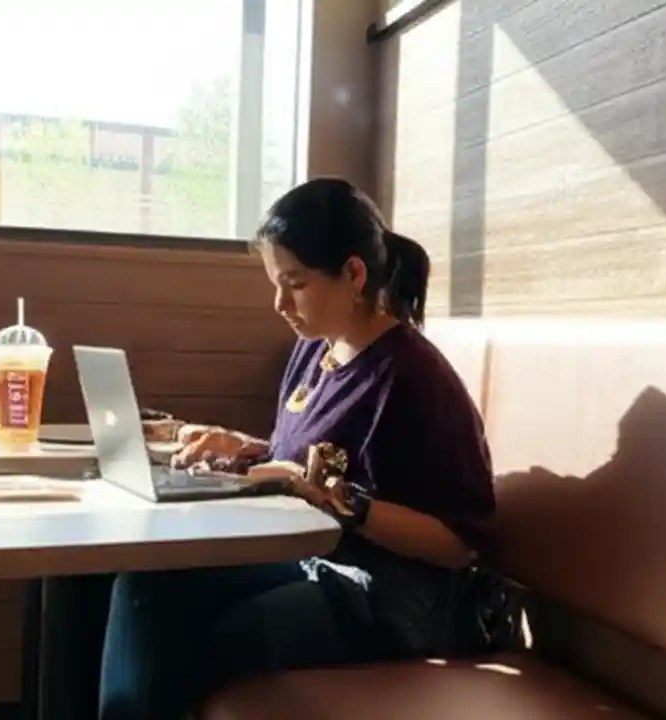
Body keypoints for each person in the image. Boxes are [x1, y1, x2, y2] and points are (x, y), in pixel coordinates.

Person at [98, 177, 497, 720]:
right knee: (141, 588)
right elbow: (313, 460)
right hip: (308, 561)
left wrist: (342, 503)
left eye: (296, 284)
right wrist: (243, 448)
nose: (280, 303)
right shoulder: (316, 349)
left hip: (385, 600)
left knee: (198, 638)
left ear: (353, 274)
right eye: (275, 284)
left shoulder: (413, 374)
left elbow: (459, 545)